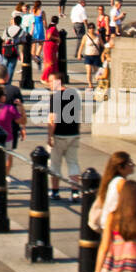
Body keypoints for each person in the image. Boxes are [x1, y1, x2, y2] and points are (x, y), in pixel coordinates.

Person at [94, 151, 136, 272]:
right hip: (116, 230)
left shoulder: (111, 182)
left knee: (108, 271)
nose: (133, 165)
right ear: (122, 167)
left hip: (107, 227)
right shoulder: (121, 184)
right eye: (130, 163)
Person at [47, 71, 83, 200]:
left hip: (59, 135)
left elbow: (53, 119)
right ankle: (75, 191)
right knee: (73, 163)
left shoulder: (56, 97)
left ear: (58, 81)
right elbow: (78, 114)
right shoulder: (74, 94)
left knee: (54, 164)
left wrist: (49, 136)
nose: (49, 84)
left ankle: (55, 191)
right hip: (73, 133)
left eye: (51, 81)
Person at [79, 23, 103, 89]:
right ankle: (90, 83)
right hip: (88, 55)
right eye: (90, 28)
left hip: (96, 55)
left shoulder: (98, 36)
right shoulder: (85, 36)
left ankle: (99, 82)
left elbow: (102, 45)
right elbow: (82, 45)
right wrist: (79, 54)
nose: (91, 29)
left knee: (97, 71)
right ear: (88, 29)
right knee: (89, 70)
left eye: (92, 28)